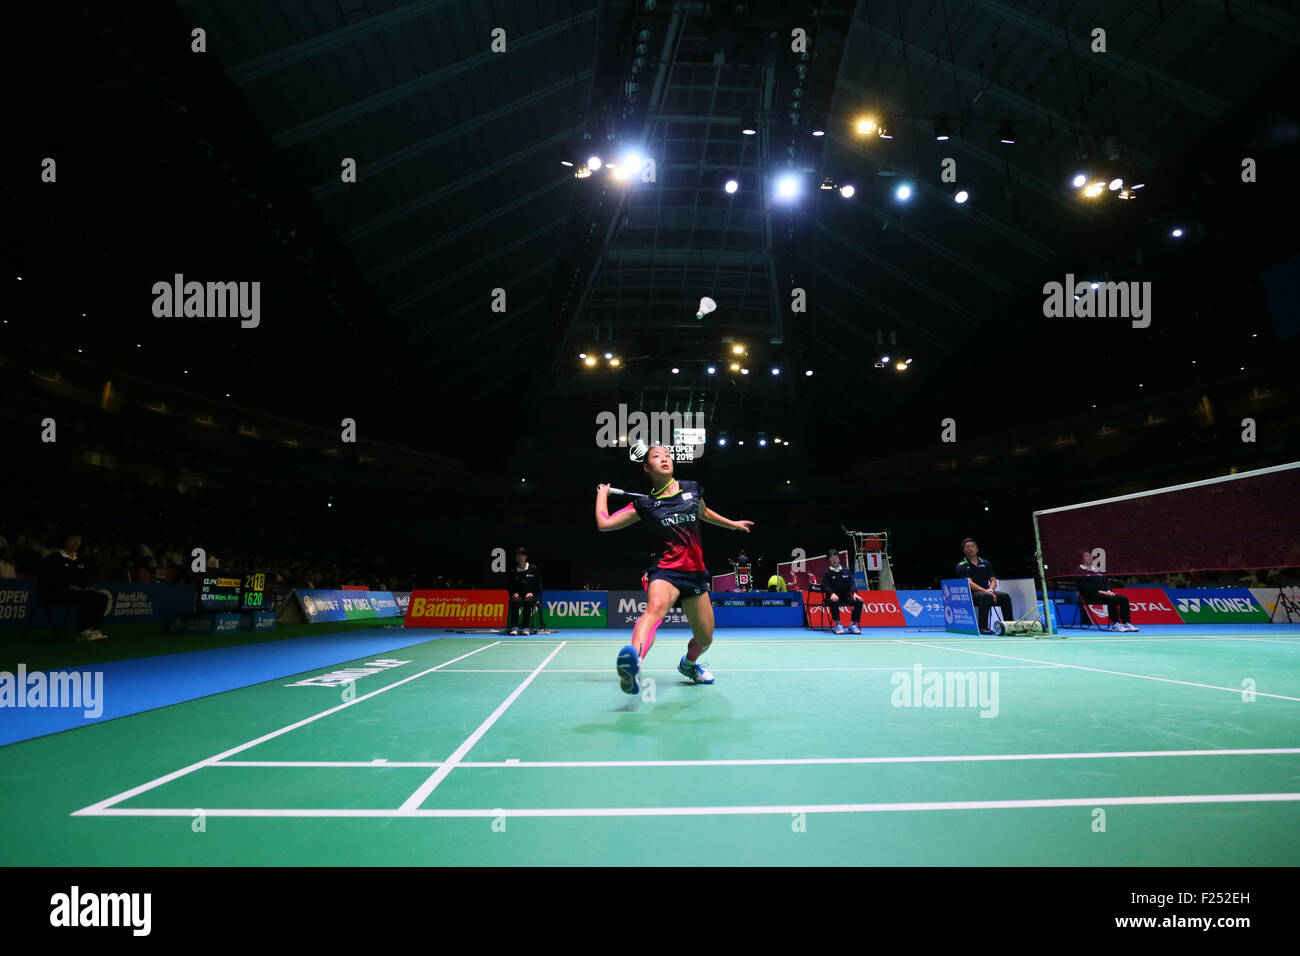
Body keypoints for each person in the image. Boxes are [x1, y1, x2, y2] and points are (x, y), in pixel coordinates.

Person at [596, 444, 752, 694]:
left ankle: (689, 664)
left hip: (695, 574)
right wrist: (602, 493)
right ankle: (634, 662)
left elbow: (705, 513)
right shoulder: (646, 505)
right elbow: (605, 524)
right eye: (657, 457)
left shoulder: (691, 489)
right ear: (647, 468)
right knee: (655, 609)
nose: (664, 459)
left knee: (705, 639)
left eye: (667, 455)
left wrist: (732, 524)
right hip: (666, 571)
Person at [36, 532, 109, 642]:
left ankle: (94, 629)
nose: (77, 542)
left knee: (102, 597)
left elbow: (85, 580)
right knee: (86, 597)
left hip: (77, 593)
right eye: (73, 539)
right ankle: (83, 632)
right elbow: (50, 579)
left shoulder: (78, 560)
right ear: (65, 541)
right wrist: (71, 587)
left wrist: (88, 587)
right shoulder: (54, 558)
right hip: (57, 593)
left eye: (79, 539)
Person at [957, 538, 1013, 635]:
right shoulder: (961, 565)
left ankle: (1010, 625)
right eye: (967, 547)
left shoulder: (986, 563)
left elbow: (993, 580)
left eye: (972, 546)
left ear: (977, 549)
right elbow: (969, 584)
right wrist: (987, 592)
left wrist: (990, 589)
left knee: (1005, 596)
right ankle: (982, 627)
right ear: (964, 550)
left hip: (987, 591)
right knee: (986, 596)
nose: (970, 548)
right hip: (971, 594)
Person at [1075, 549, 1139, 632]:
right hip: (1090, 595)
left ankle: (1127, 623)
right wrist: (1100, 591)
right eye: (1087, 556)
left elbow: (1106, 582)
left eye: (1091, 556)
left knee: (1123, 599)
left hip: (1104, 594)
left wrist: (1108, 591)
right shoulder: (1079, 571)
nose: (1090, 558)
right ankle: (1116, 624)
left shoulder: (1096, 569)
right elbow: (1083, 587)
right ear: (1081, 559)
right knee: (1111, 599)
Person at [819, 547, 863, 634]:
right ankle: (838, 625)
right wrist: (831, 593)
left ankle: (853, 625)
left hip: (846, 596)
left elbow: (852, 583)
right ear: (828, 560)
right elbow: (825, 586)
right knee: (834, 601)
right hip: (832, 597)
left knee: (859, 601)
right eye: (831, 558)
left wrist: (854, 593)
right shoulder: (826, 573)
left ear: (839, 558)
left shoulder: (846, 571)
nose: (834, 560)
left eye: (836, 558)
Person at [506, 546, 542, 635]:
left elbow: (538, 586)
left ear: (525, 557)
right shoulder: (513, 571)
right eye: (518, 556)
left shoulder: (534, 569)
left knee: (528, 602)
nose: (520, 558)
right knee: (514, 601)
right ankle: (514, 627)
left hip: (529, 595)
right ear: (516, 558)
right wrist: (513, 593)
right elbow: (509, 586)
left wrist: (532, 593)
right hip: (518, 596)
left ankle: (526, 627)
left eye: (522, 556)